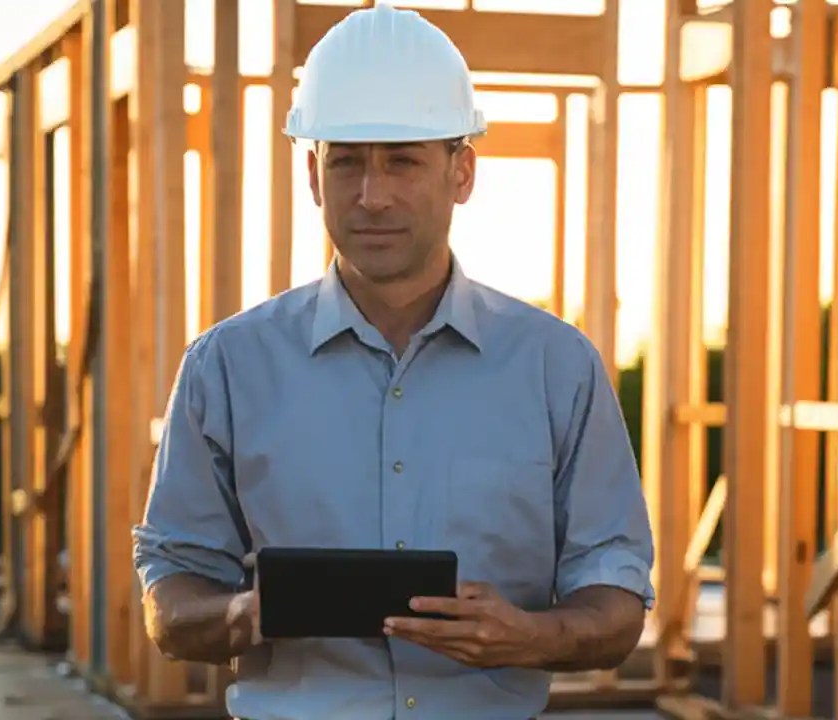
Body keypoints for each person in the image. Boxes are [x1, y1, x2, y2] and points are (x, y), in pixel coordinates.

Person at [131, 2, 655, 719]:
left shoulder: (556, 368)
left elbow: (617, 601)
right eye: (346, 163)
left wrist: (526, 637)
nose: (372, 196)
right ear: (314, 177)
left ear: (461, 172)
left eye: (403, 161)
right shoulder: (226, 368)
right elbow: (170, 599)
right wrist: (248, 614)